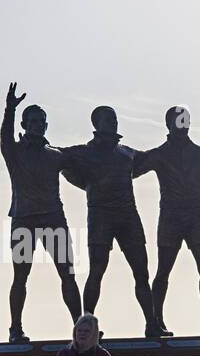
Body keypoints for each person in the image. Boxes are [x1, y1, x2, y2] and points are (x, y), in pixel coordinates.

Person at [133, 106, 200, 337]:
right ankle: (155, 323)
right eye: (178, 119)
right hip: (170, 220)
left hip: (198, 220)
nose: (183, 122)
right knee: (162, 273)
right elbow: (131, 170)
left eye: (185, 119)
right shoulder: (159, 155)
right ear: (168, 123)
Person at [62, 107, 163, 337]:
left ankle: (152, 323)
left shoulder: (127, 153)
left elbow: (153, 158)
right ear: (96, 124)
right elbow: (59, 160)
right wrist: (87, 184)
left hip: (128, 216)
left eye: (115, 118)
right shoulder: (83, 153)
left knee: (141, 272)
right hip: (100, 217)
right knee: (96, 271)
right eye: (108, 119)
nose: (114, 122)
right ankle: (85, 327)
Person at [1, 82, 82, 342]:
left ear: (46, 126)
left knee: (67, 273)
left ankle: (81, 328)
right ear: (24, 125)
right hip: (24, 219)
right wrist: (10, 109)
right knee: (20, 277)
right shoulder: (13, 152)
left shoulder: (56, 155)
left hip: (53, 218)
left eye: (42, 121)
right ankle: (16, 328)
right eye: (33, 120)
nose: (38, 124)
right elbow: (4, 136)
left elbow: (84, 170)